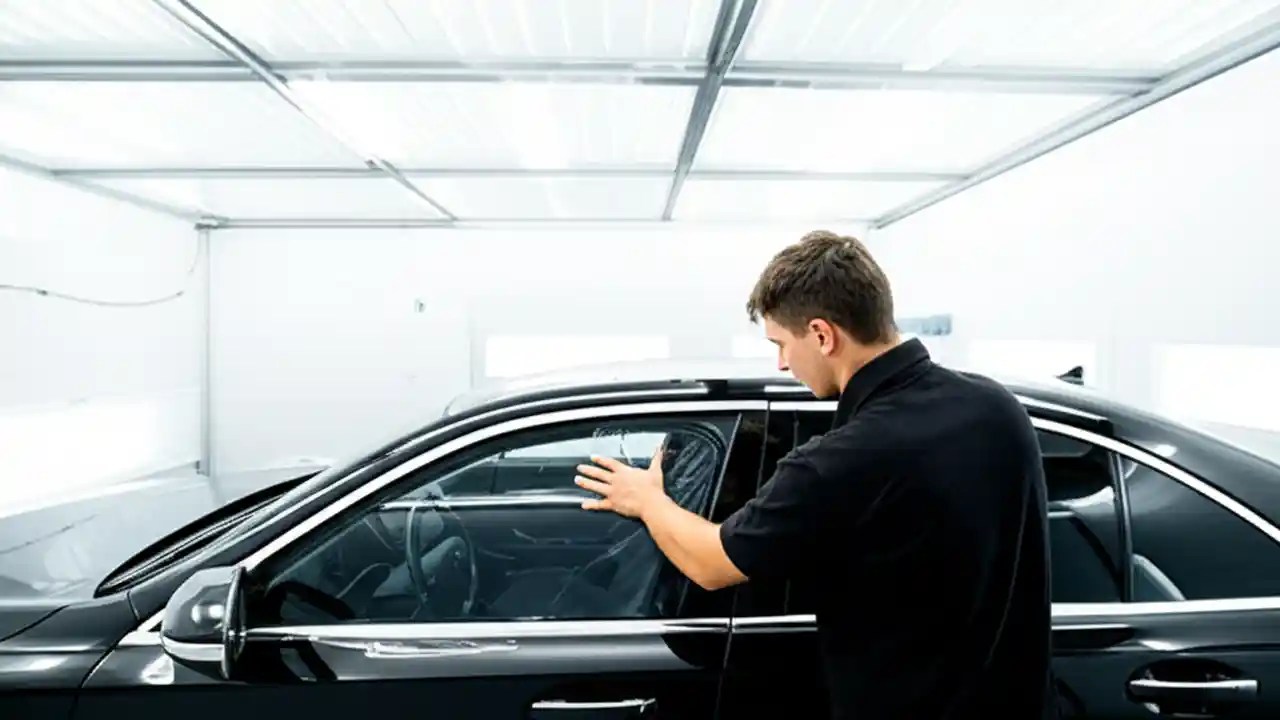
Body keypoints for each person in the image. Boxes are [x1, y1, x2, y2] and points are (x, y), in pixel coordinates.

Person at [573, 229, 1055, 720]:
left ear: (823, 335)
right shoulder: (999, 408)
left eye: (781, 343)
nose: (782, 364)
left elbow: (711, 563)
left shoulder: (841, 460)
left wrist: (647, 500)